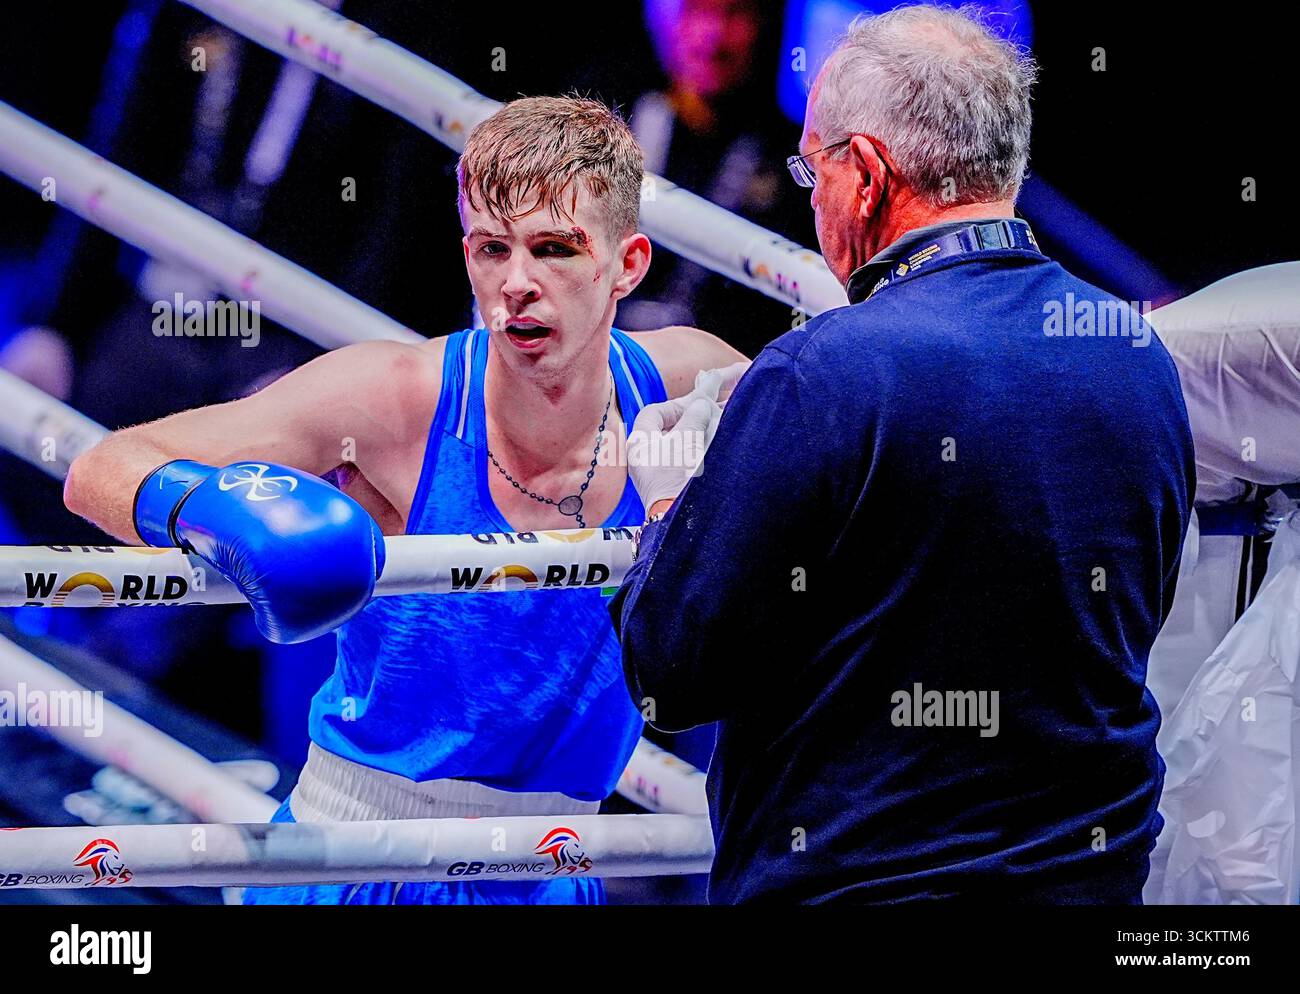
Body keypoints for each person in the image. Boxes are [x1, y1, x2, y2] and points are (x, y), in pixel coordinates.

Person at [63, 95, 746, 905]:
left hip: (556, 862)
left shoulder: (686, 385)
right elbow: (101, 467)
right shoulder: (395, 400)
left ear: (629, 263)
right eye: (493, 248)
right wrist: (212, 508)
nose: (517, 283)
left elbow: (852, 450)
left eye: (555, 249)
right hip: (361, 852)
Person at [612, 5, 1195, 904]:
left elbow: (672, 671)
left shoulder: (824, 371)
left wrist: (666, 502)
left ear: (869, 175)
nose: (808, 196)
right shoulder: (1137, 353)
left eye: (815, 168)